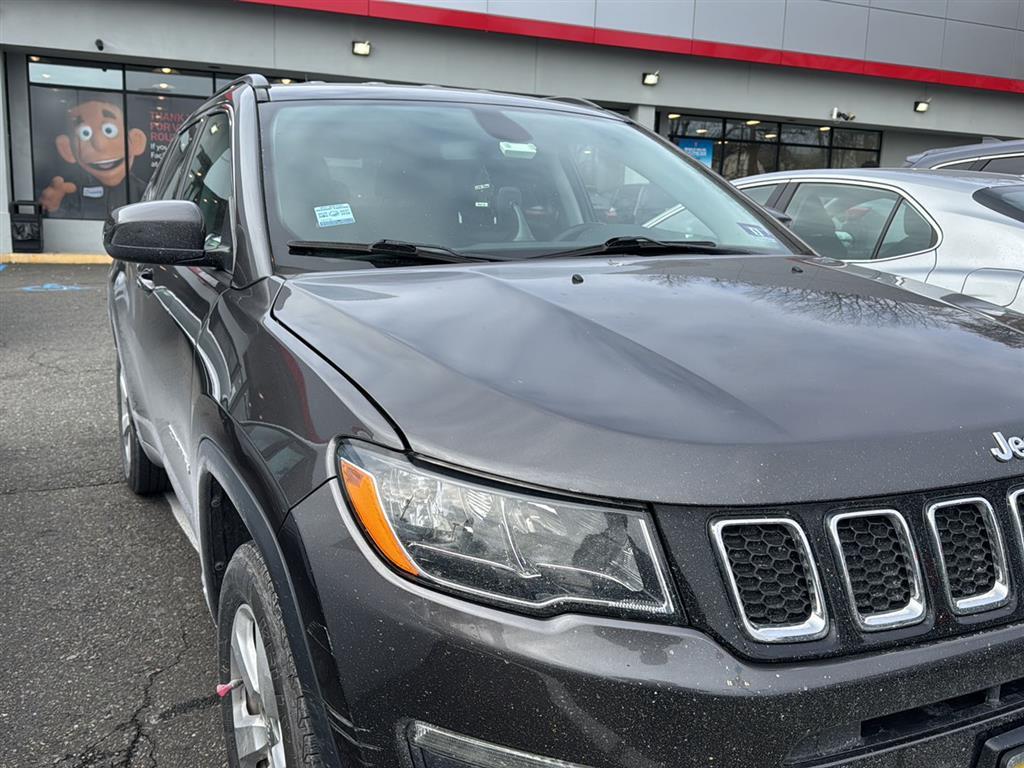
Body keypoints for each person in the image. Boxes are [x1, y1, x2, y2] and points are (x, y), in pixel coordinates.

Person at [38, 99, 147, 217]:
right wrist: (52, 207)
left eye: (109, 131)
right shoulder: (71, 190)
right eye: (84, 134)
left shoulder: (144, 191)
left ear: (136, 141)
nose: (99, 144)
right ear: (67, 148)